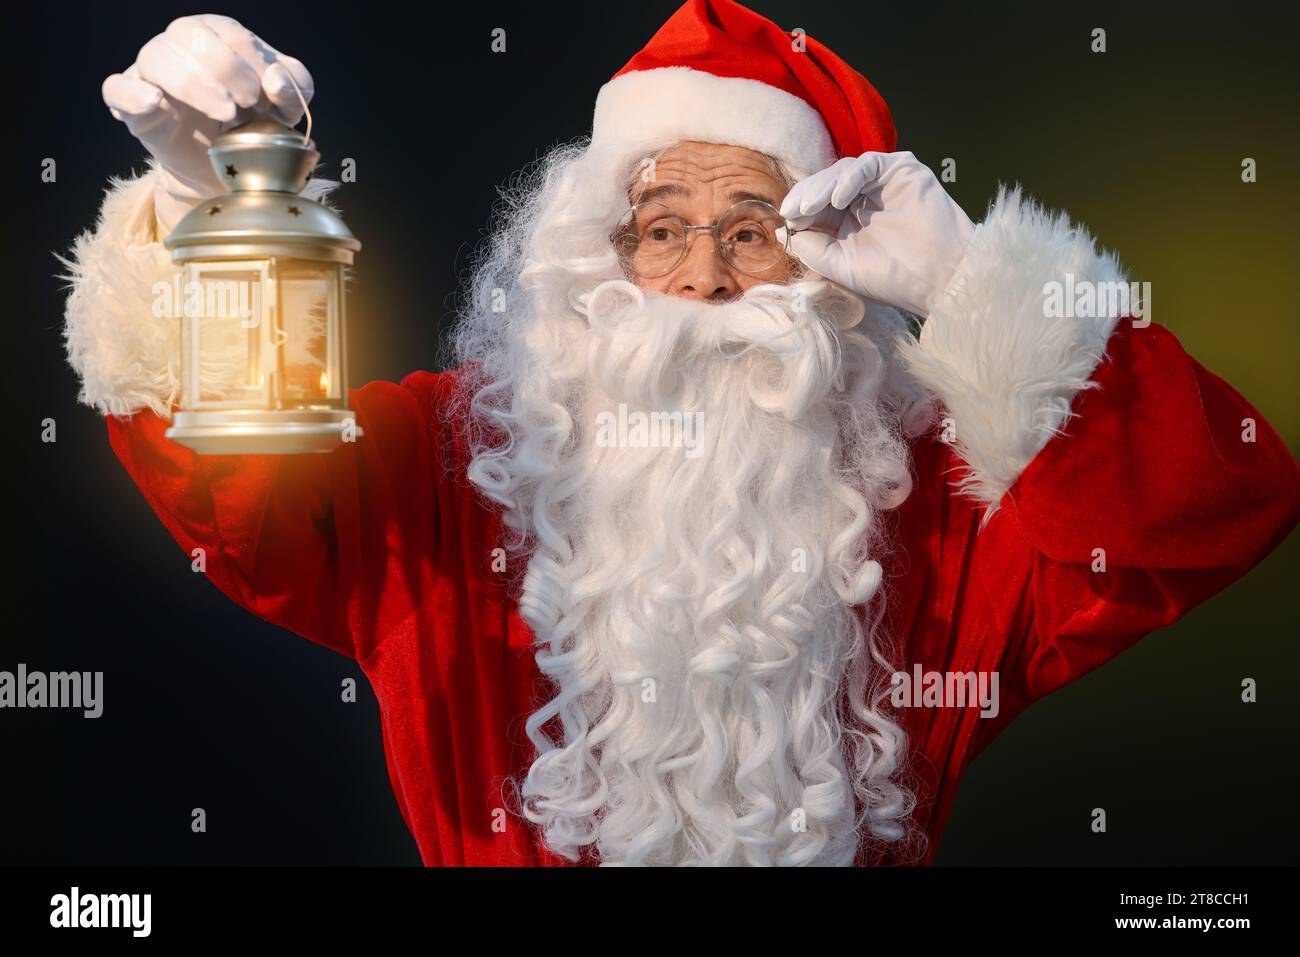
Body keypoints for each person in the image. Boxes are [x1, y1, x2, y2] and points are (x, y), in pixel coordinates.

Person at [62, 1, 1299, 866]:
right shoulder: (451, 465)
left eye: (753, 229)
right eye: (661, 229)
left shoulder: (942, 512)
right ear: (593, 254)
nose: (705, 279)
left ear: (831, 275)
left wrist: (972, 282)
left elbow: (1205, 514)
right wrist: (205, 207)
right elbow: (232, 502)